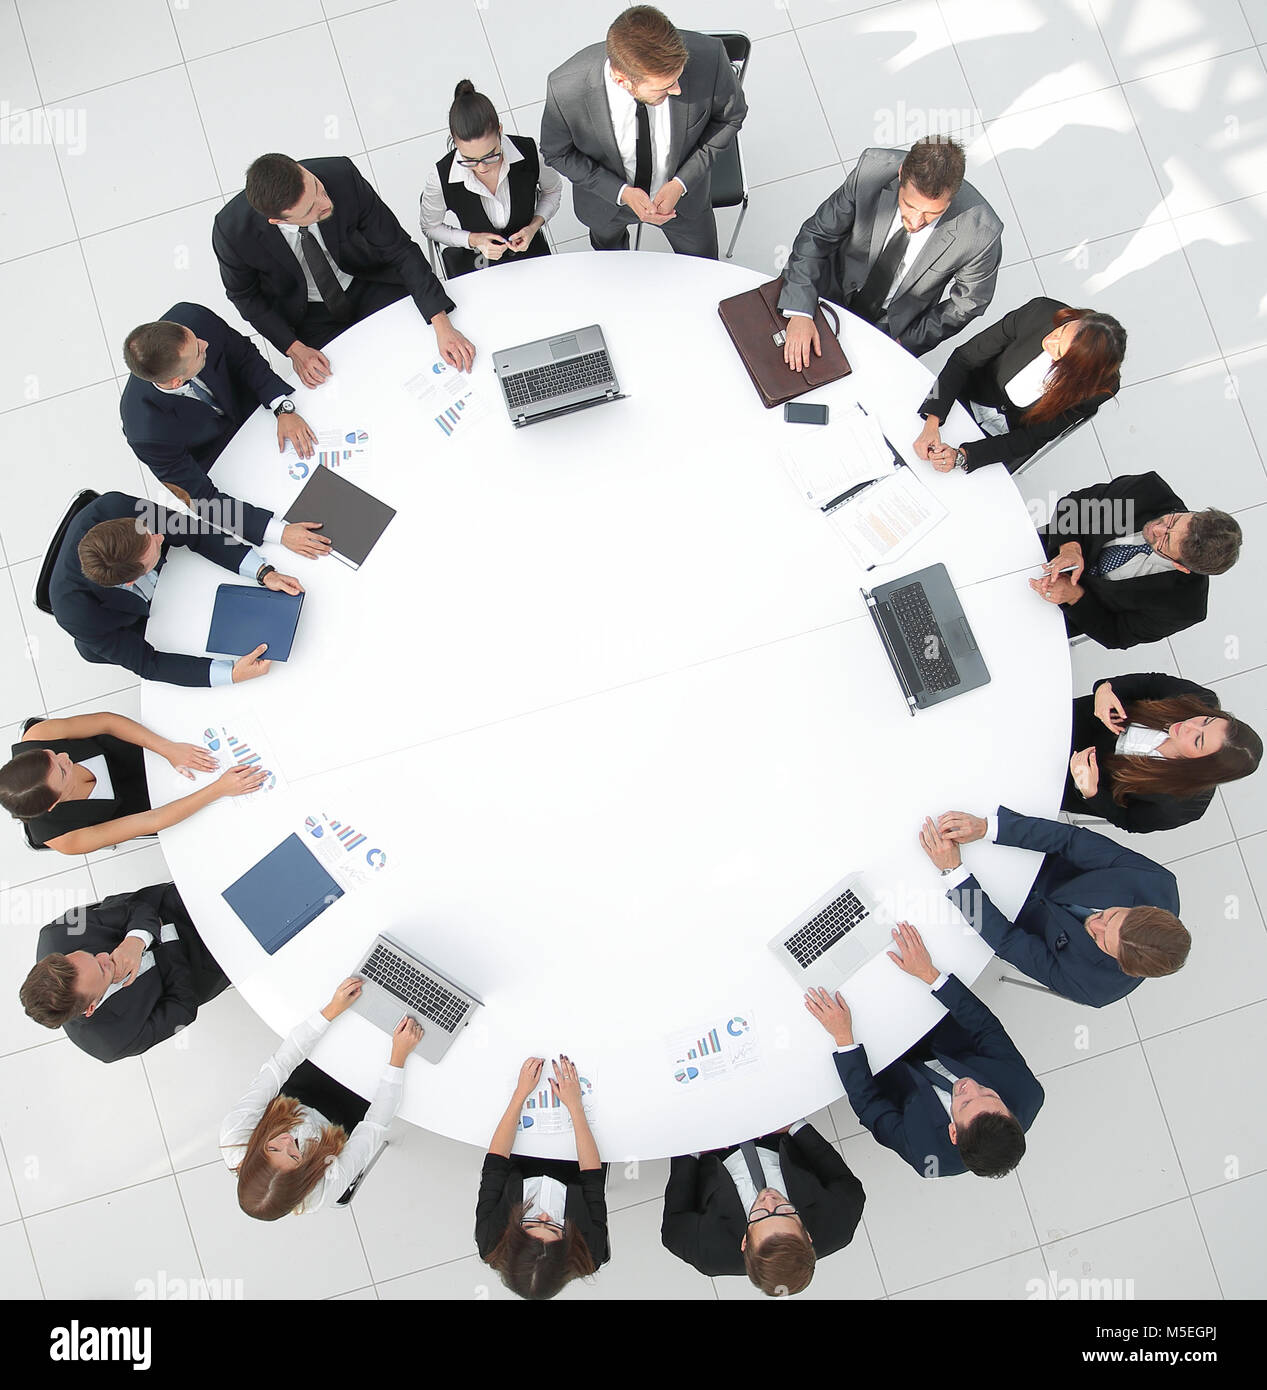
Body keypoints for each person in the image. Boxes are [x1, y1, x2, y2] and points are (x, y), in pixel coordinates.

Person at [212, 152, 474, 390]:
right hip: (309, 314)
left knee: (425, 356)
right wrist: (294, 350)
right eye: (310, 210)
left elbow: (398, 248)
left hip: (368, 281)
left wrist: (442, 324)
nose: (325, 203)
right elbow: (245, 297)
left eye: (316, 188)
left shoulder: (341, 175)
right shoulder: (232, 232)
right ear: (279, 221)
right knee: (350, 389)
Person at [806, 921, 1043, 1179]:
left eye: (964, 1103)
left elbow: (870, 1106)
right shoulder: (1026, 1092)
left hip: (880, 1061)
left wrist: (843, 1038)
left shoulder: (927, 1155)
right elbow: (985, 1028)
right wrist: (929, 973)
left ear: (953, 1132)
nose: (970, 1086)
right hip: (934, 1025)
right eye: (989, 1093)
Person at [121, 303, 329, 557]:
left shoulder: (192, 319)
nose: (204, 343)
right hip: (221, 458)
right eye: (198, 351)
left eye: (195, 338)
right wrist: (279, 533)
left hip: (254, 412)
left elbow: (244, 357)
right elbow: (200, 499)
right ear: (176, 381)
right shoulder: (145, 430)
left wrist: (281, 407)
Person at [925, 809, 1190, 1008]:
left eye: (1101, 940)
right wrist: (986, 828)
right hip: (1032, 858)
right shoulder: (1155, 882)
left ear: (1123, 965)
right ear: (1142, 909)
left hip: (1005, 914)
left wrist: (954, 873)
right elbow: (1070, 841)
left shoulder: (1093, 988)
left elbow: (1008, 942)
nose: (1094, 925)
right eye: (1110, 916)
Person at [541, 5, 746, 259]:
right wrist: (620, 192)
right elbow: (556, 152)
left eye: (677, 78)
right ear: (621, 80)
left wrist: (681, 184)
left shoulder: (710, 56)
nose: (677, 91)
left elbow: (730, 117)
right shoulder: (565, 88)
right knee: (611, 262)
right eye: (665, 86)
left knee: (704, 265)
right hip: (607, 203)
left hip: (684, 199)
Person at [779, 136, 1002, 366]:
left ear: (951, 198)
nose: (916, 222)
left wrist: (905, 342)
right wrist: (800, 311)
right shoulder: (871, 171)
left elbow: (968, 303)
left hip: (890, 326)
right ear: (900, 173)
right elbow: (817, 234)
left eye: (931, 214)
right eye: (910, 205)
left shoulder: (981, 233)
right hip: (826, 288)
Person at [51, 491, 302, 687]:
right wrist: (231, 673)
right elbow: (149, 664)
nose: (160, 536)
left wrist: (262, 572)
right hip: (134, 623)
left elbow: (193, 531)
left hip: (185, 578)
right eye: (152, 544)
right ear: (131, 580)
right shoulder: (76, 613)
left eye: (150, 532)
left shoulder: (115, 508)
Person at [220, 977, 422, 1220]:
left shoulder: (235, 1136)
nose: (287, 1140)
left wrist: (332, 1009)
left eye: (272, 1147)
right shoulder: (322, 1192)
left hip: (296, 1097)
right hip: (343, 1121)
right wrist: (398, 1056)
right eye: (295, 1154)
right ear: (303, 1175)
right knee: (396, 1049)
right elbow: (374, 1126)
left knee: (352, 1021)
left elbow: (279, 1065)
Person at [21, 882, 229, 1062]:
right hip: (207, 963)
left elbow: (134, 909)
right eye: (102, 969)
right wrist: (166, 936)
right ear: (90, 1007)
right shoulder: (111, 1042)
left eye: (89, 955)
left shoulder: (56, 935)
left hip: (172, 906)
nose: (103, 956)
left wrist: (135, 941)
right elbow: (183, 1008)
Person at [1, 712, 265, 854]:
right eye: (61, 771)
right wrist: (218, 789)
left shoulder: (38, 735)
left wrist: (167, 749)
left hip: (146, 745)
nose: (64, 756)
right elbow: (152, 820)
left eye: (51, 755)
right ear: (55, 803)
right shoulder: (65, 839)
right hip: (156, 804)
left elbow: (107, 722)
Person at [1033, 471, 1242, 649]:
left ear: (1182, 566)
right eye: (1174, 520)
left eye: (1165, 540)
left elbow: (1115, 634)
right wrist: (1069, 547)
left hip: (1062, 615)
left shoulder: (1185, 607)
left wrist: (1074, 595)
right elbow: (1074, 505)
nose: (1157, 528)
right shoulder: (1150, 491)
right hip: (1040, 553)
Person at [915, 299, 1126, 475]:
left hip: (1002, 438)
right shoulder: (1039, 313)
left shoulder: (1098, 389)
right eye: (1061, 331)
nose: (1050, 341)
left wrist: (962, 456)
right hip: (961, 397)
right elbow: (964, 359)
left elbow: (1032, 437)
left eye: (1059, 351)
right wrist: (932, 422)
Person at [661, 1122, 865, 1296]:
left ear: (744, 1241)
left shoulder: (708, 1254)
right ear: (807, 1235)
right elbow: (847, 1185)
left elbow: (673, 1227)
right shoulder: (840, 1222)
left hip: (712, 1148)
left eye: (759, 1216)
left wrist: (690, 1151)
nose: (768, 1199)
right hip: (774, 1134)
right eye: (785, 1210)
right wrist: (793, 1126)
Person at [476, 1056, 608, 1299]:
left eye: (532, 1224)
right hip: (577, 1157)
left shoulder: (490, 1238)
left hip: (522, 1150)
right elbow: (592, 1177)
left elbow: (495, 1164)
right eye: (554, 1227)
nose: (545, 1216)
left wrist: (520, 1094)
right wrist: (575, 1106)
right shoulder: (591, 1249)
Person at [1065, 673, 1261, 833]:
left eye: (1197, 741)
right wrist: (1105, 689)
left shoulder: (1182, 806)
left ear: (1202, 768)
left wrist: (1091, 793)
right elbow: (1150, 683)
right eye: (1206, 721)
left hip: (1071, 780)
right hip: (1074, 720)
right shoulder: (1201, 700)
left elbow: (1128, 820)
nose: (1188, 726)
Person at [420, 80, 562, 279]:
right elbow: (430, 226)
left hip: (529, 251)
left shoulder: (530, 153)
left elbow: (553, 190)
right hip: (477, 262)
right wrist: (473, 239)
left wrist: (533, 226)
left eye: (490, 155)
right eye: (468, 159)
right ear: (454, 139)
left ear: (500, 131)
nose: (481, 167)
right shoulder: (441, 177)